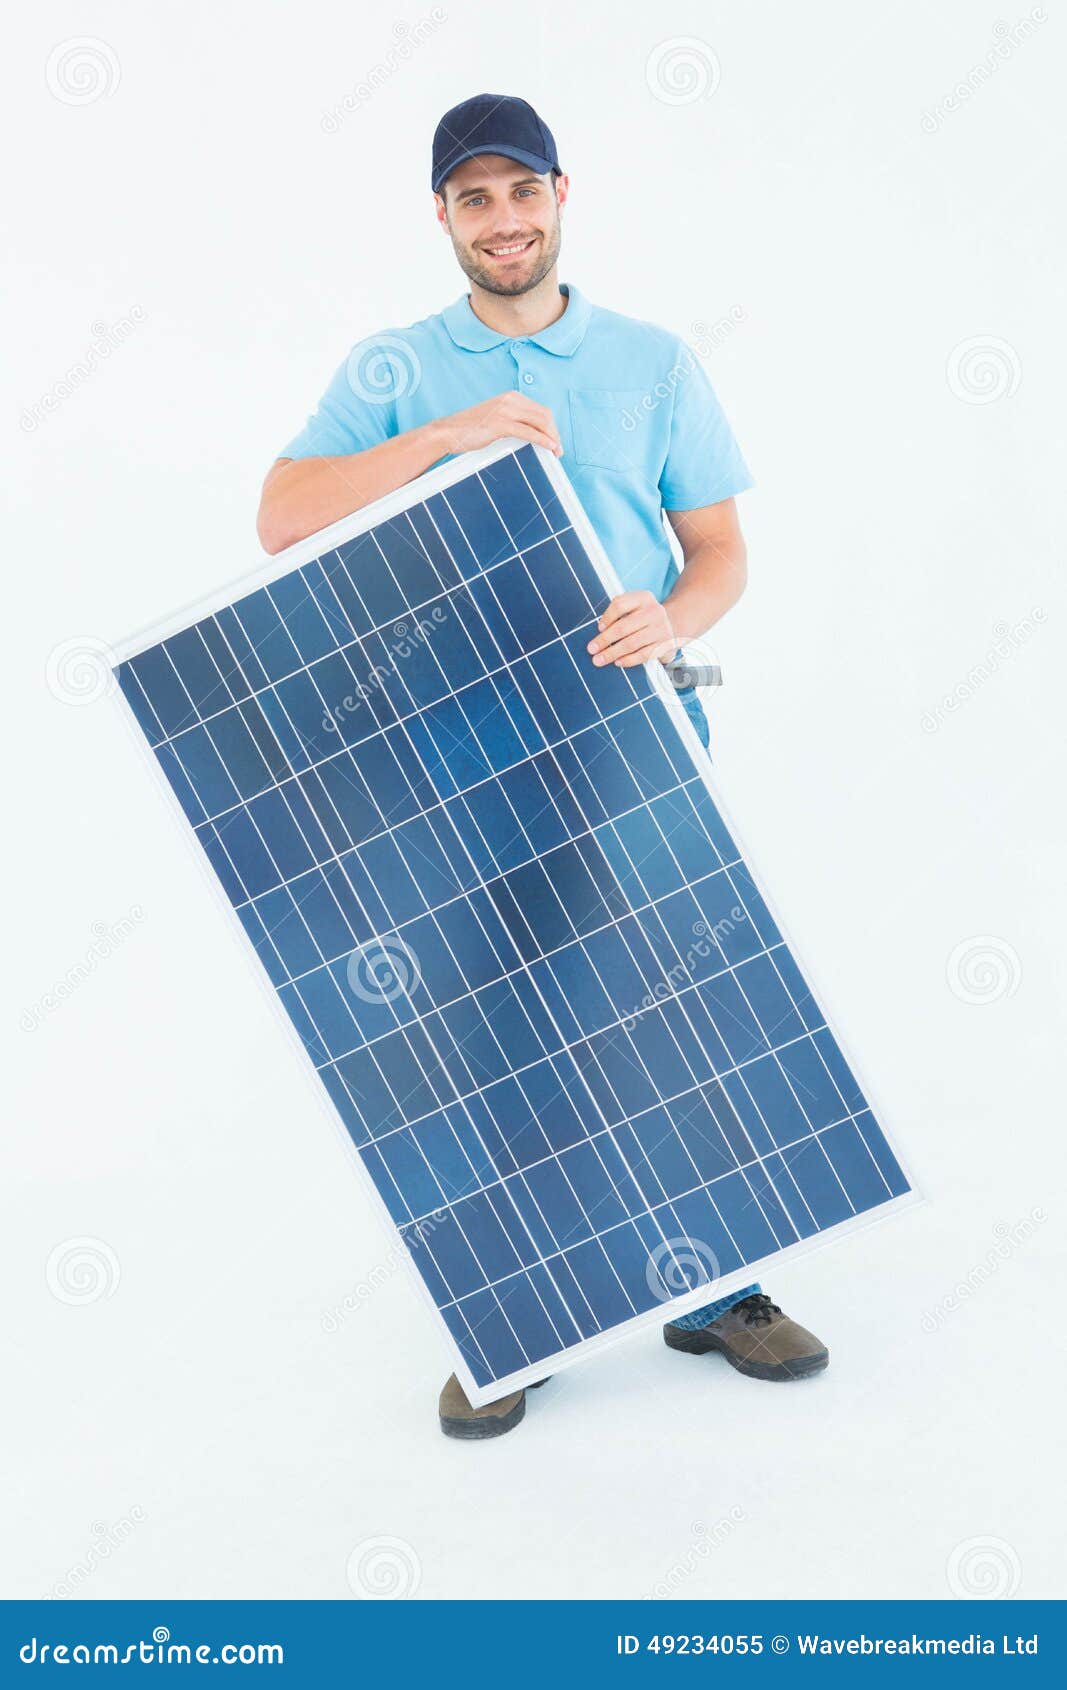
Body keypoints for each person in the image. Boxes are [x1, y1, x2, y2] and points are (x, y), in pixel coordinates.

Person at [258, 93, 829, 1439]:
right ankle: (512, 1314)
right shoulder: (396, 368)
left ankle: (720, 1286)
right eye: (476, 197)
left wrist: (670, 619)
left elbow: (721, 554)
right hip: (457, 746)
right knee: (486, 1029)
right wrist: (442, 437)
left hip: (632, 725)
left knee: (670, 1001)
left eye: (524, 192)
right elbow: (282, 516)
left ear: (563, 196)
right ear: (443, 216)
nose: (504, 219)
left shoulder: (651, 362)